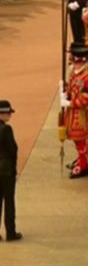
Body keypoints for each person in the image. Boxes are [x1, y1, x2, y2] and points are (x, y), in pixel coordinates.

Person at [61, 44, 88, 179]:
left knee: (81, 139)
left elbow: (85, 99)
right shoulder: (75, 73)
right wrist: (65, 91)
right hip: (72, 113)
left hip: (81, 114)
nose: (74, 64)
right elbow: (72, 88)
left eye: (76, 62)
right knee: (76, 139)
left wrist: (69, 102)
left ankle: (83, 164)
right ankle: (81, 159)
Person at [0, 100, 20, 242]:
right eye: (8, 113)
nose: (10, 116)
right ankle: (10, 232)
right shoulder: (6, 129)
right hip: (6, 171)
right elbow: (12, 150)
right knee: (9, 202)